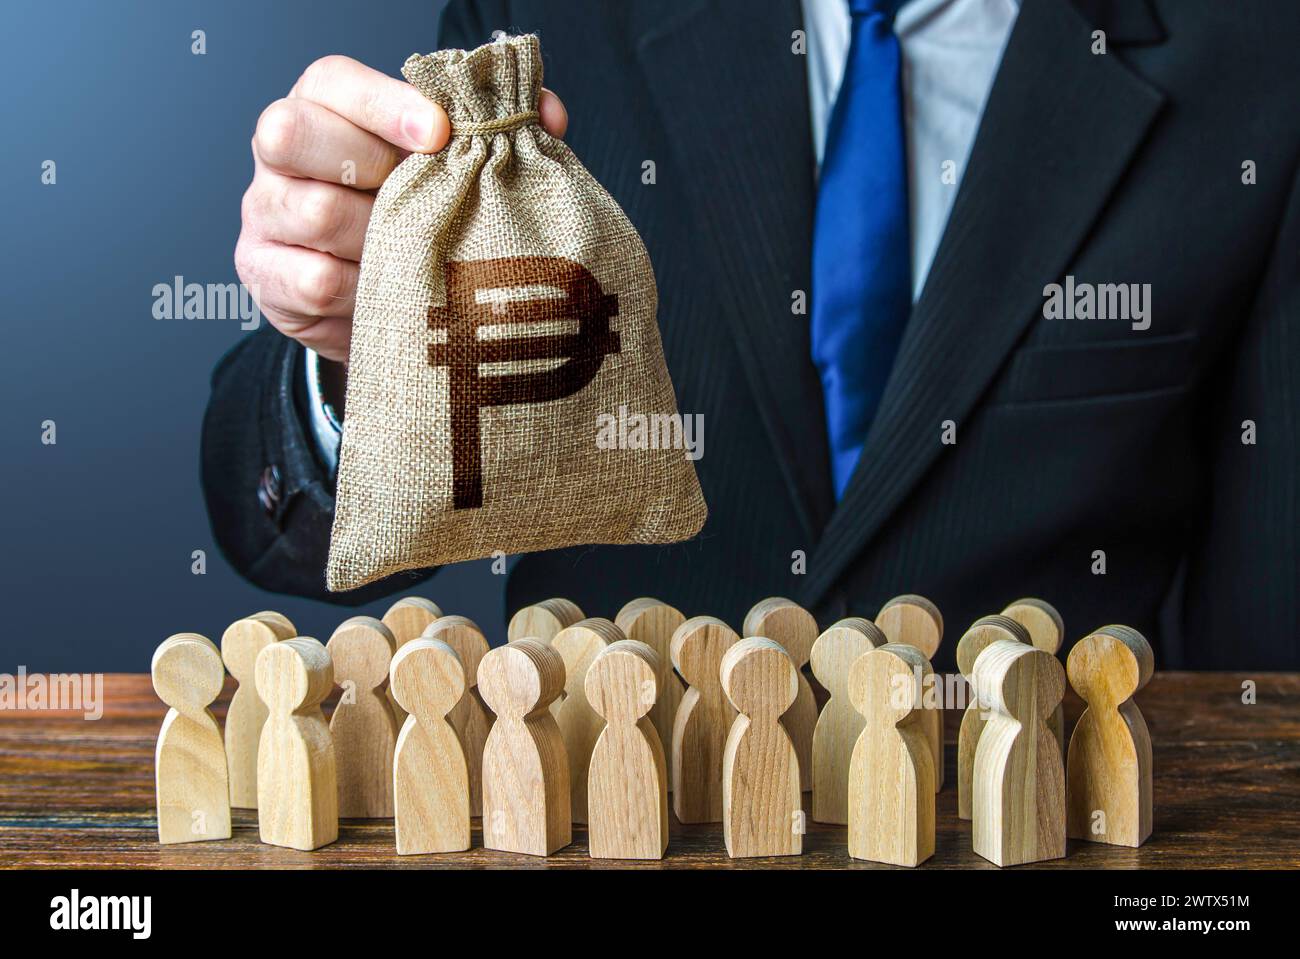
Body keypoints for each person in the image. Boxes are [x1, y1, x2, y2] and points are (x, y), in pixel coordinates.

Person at [206, 0, 1300, 669]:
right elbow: (273, 528)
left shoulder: (1256, 56)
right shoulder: (555, 17)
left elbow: (1267, 629)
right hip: (622, 819)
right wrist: (357, 353)